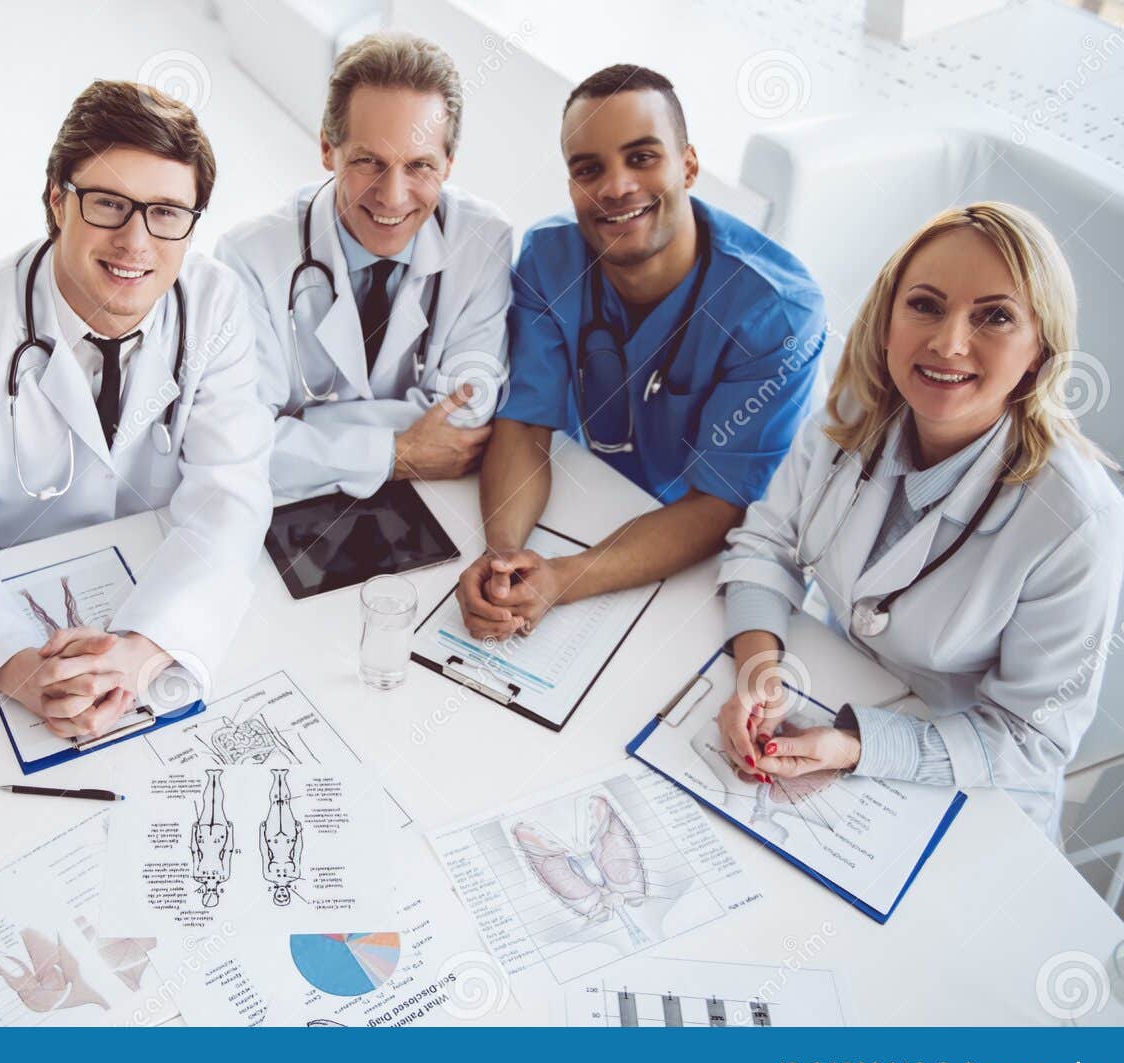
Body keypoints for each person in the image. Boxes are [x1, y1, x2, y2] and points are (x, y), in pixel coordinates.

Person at [715, 201, 1124, 840]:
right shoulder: (854, 411)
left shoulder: (1076, 520)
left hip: (971, 791)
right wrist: (760, 672)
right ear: (887, 321)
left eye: (995, 316)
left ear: (1040, 350)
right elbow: (767, 544)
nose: (948, 343)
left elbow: (1030, 738)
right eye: (926, 305)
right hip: (834, 701)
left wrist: (857, 746)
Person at [0, 81, 273, 741]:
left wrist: (144, 650)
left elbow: (231, 492)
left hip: (155, 576)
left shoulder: (214, 303)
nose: (136, 241)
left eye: (166, 212)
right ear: (57, 200)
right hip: (10, 592)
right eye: (109, 204)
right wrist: (20, 667)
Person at [456, 64, 825, 638]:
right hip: (590, 493)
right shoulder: (549, 258)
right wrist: (504, 562)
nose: (616, 187)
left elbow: (719, 504)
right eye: (588, 169)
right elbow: (525, 423)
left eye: (642, 157)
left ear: (689, 165)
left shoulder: (775, 312)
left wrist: (561, 579)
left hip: (701, 552)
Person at [216, 30, 512, 500]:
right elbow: (236, 443)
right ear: (327, 150)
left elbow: (467, 417)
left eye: (420, 166)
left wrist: (299, 430)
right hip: (293, 509)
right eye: (369, 161)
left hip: (433, 499)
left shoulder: (483, 241)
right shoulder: (250, 257)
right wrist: (396, 452)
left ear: (449, 164)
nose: (392, 197)